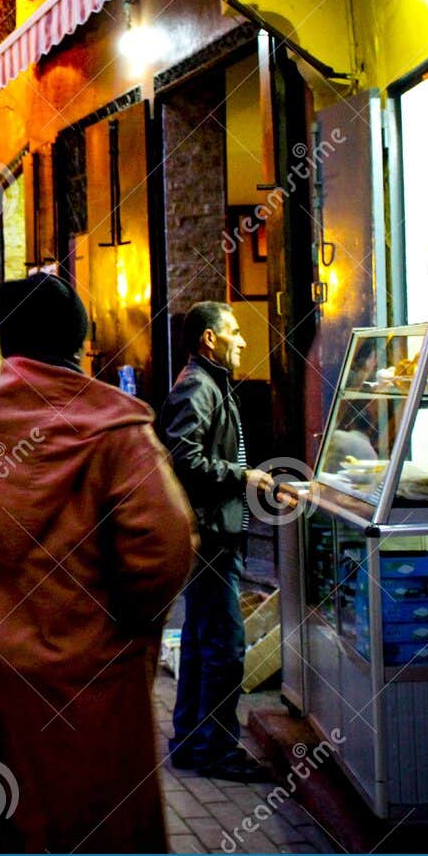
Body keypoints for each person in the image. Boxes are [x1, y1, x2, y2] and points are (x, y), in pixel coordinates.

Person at [0, 273, 194, 852]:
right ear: (82, 340)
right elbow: (163, 551)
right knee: (105, 841)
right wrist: (126, 630)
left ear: (2, 341)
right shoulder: (119, 433)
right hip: (86, 672)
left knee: (2, 839)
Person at [160, 300, 275, 783]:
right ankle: (217, 749)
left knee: (200, 640)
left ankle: (190, 740)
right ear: (210, 339)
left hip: (214, 533)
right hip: (210, 538)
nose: (243, 341)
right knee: (226, 649)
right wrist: (242, 475)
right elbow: (182, 458)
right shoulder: (197, 387)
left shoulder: (211, 384)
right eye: (234, 332)